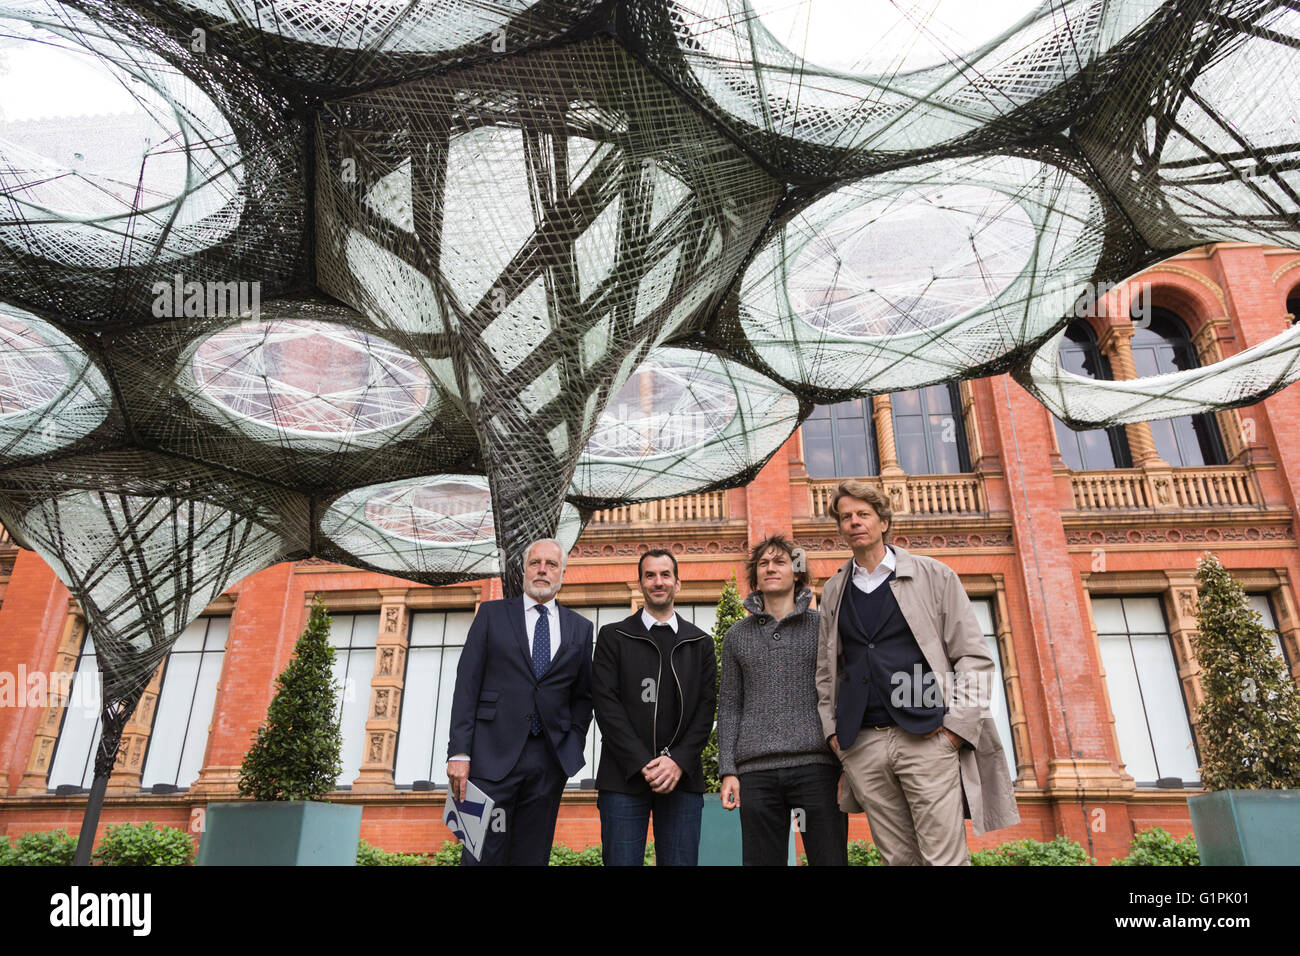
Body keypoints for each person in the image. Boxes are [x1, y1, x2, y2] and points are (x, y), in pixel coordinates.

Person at [815, 480, 1019, 865]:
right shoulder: (833, 591)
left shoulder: (934, 575)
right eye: (846, 517)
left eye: (863, 514)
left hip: (928, 737)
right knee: (897, 859)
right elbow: (827, 672)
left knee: (943, 859)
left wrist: (957, 729)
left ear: (884, 521)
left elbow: (974, 658)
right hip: (862, 744)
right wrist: (833, 736)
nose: (854, 522)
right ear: (839, 528)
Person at [446, 538, 593, 865]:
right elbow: (467, 684)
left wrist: (572, 744)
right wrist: (459, 752)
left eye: (551, 564)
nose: (543, 570)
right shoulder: (491, 614)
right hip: (486, 760)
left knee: (531, 858)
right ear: (524, 570)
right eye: (535, 563)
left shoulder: (580, 629)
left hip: (547, 764)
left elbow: (583, 697)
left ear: (562, 574)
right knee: (479, 856)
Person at [717, 534, 847, 866]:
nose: (770, 568)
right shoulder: (736, 637)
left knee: (830, 860)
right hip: (755, 773)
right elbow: (730, 706)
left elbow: (842, 696)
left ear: (797, 572)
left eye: (780, 562)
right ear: (755, 576)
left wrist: (848, 762)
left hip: (818, 767)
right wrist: (728, 771)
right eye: (763, 563)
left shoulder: (823, 627)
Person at [592, 549, 716, 866]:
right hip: (622, 779)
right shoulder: (613, 636)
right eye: (650, 575)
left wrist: (676, 762)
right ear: (640, 583)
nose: (657, 582)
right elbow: (606, 706)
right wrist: (642, 763)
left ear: (677, 583)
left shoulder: (700, 642)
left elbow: (706, 711)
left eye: (665, 575)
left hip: (683, 779)